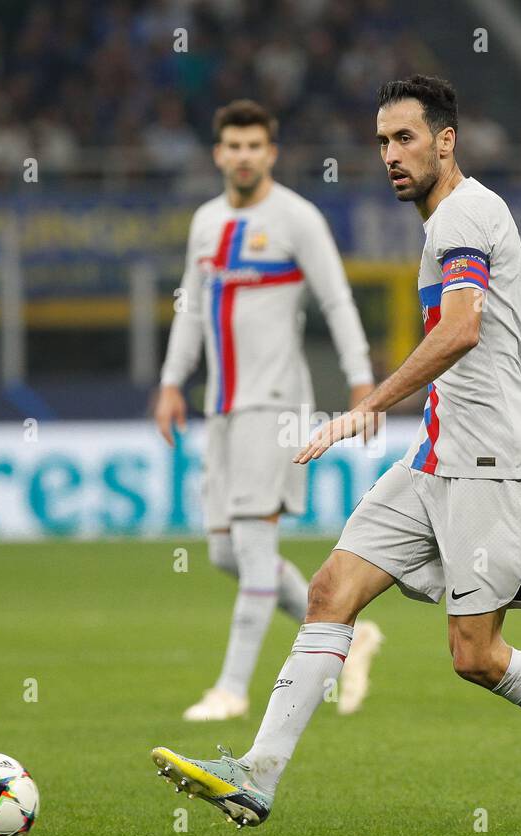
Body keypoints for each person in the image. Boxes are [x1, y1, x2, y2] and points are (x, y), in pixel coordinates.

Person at [151, 76, 521, 836]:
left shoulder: (466, 214)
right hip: (436, 461)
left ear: (445, 140)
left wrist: (366, 404)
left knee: (477, 656)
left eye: (404, 139)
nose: (390, 156)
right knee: (332, 589)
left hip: (492, 466)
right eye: (380, 142)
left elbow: (461, 328)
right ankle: (256, 776)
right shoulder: (470, 224)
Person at [154, 99, 384, 722]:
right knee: (226, 553)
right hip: (222, 407)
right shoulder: (205, 223)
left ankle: (231, 689)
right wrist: (173, 381)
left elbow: (337, 301)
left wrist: (363, 381)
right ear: (218, 153)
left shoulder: (297, 218)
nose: (244, 155)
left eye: (256, 145)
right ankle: (353, 633)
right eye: (234, 145)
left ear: (271, 153)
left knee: (255, 547)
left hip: (276, 404)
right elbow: (191, 310)